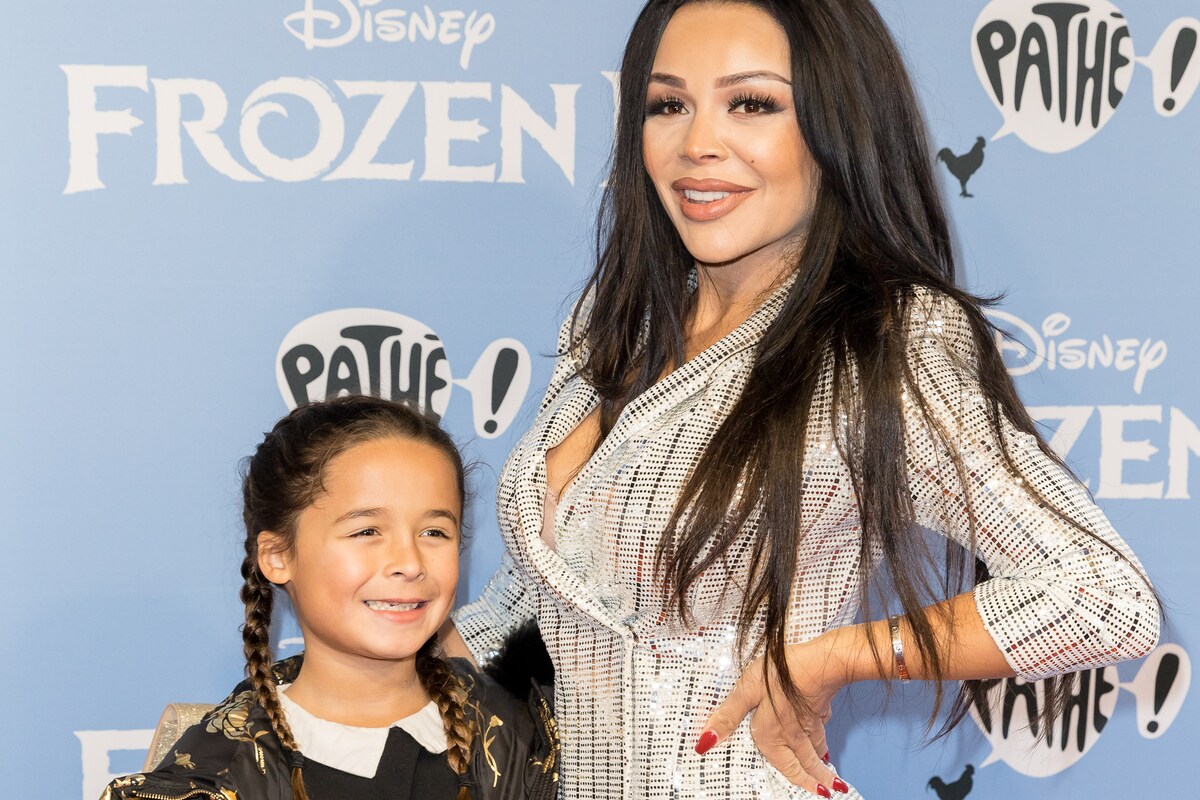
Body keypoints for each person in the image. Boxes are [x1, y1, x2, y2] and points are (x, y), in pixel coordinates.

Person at [446, 1, 1162, 799]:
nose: (697, 143)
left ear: (836, 128)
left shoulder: (884, 342)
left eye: (752, 103)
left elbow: (1101, 596)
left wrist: (832, 658)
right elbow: (527, 600)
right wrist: (361, 691)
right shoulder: (617, 320)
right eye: (668, 104)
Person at [102, 396, 558, 800]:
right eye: (366, 531)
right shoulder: (217, 775)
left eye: (435, 532)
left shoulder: (529, 741)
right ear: (277, 556)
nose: (409, 562)